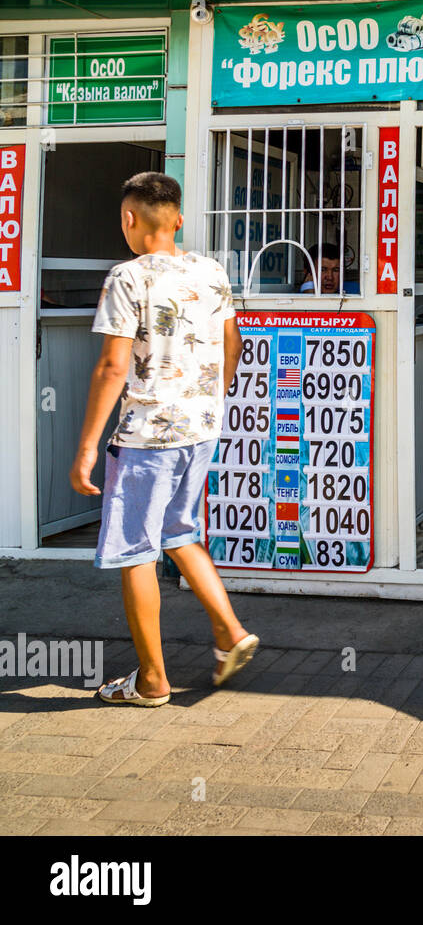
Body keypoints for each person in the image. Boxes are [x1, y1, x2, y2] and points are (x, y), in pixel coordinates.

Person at [69, 171, 259, 706]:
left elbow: (112, 367)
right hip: (200, 429)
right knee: (179, 532)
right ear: (178, 220)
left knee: (134, 551)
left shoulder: (127, 277)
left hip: (147, 436)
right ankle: (230, 631)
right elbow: (233, 345)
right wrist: (207, 400)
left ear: (128, 219)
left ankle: (152, 680)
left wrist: (87, 448)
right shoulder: (211, 270)